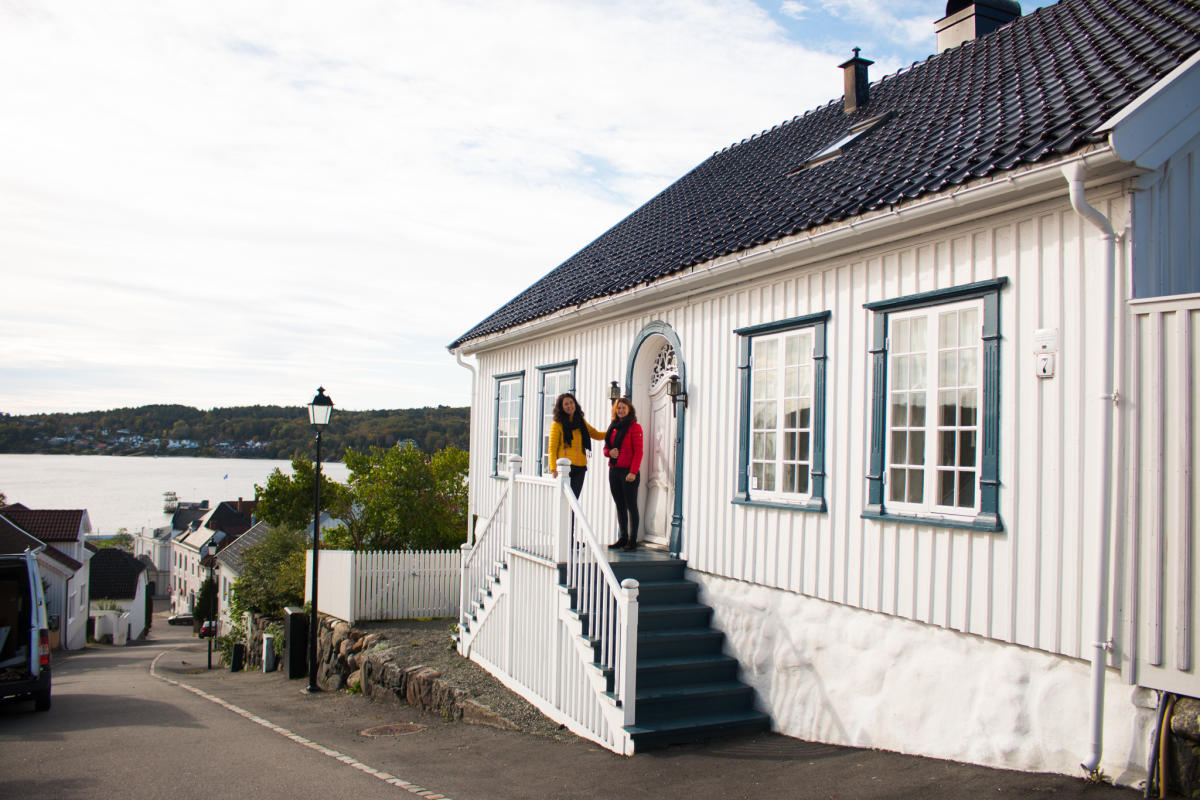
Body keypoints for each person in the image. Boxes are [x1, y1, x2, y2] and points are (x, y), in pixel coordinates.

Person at [603, 396, 643, 551]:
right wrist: (609, 453)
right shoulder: (613, 427)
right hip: (614, 470)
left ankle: (632, 541)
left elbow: (638, 452)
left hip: (628, 472)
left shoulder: (635, 427)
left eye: (623, 408)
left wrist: (633, 472)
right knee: (620, 505)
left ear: (629, 410)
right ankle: (623, 538)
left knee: (631, 506)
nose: (620, 410)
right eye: (618, 408)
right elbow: (606, 448)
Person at [547, 393, 605, 498]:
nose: (569, 405)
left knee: (574, 498)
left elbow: (596, 434)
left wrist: (612, 432)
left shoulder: (581, 421)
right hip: (565, 468)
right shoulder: (557, 424)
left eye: (571, 402)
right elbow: (552, 448)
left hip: (580, 467)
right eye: (566, 404)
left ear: (575, 404)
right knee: (565, 499)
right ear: (561, 407)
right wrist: (554, 469)